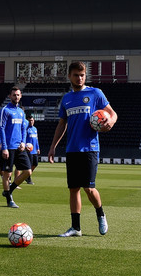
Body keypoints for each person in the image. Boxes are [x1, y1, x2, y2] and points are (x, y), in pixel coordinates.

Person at [48, 61, 117, 237]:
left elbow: (112, 113)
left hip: (90, 148)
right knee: (73, 189)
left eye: (82, 75)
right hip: (72, 149)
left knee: (89, 188)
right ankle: (76, 228)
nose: (80, 78)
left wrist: (110, 121)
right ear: (69, 76)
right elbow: (62, 124)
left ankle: (101, 214)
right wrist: (53, 146)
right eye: (76, 75)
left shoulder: (95, 93)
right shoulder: (67, 99)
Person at [0, 87, 32, 208]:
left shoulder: (21, 112)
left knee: (28, 171)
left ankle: (8, 191)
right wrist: (4, 147)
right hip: (9, 147)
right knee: (7, 174)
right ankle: (9, 200)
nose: (16, 97)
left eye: (18, 95)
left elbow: (24, 129)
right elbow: (1, 129)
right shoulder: (5, 110)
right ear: (10, 96)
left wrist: (23, 142)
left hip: (19, 147)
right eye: (14, 95)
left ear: (20, 96)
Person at [25, 114, 40, 184]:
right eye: (30, 121)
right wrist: (25, 145)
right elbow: (23, 139)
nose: (31, 122)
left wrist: (38, 148)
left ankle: (27, 175)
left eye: (32, 120)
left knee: (35, 164)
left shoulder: (35, 129)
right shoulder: (26, 129)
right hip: (29, 151)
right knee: (29, 165)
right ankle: (28, 178)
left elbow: (36, 140)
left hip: (34, 151)